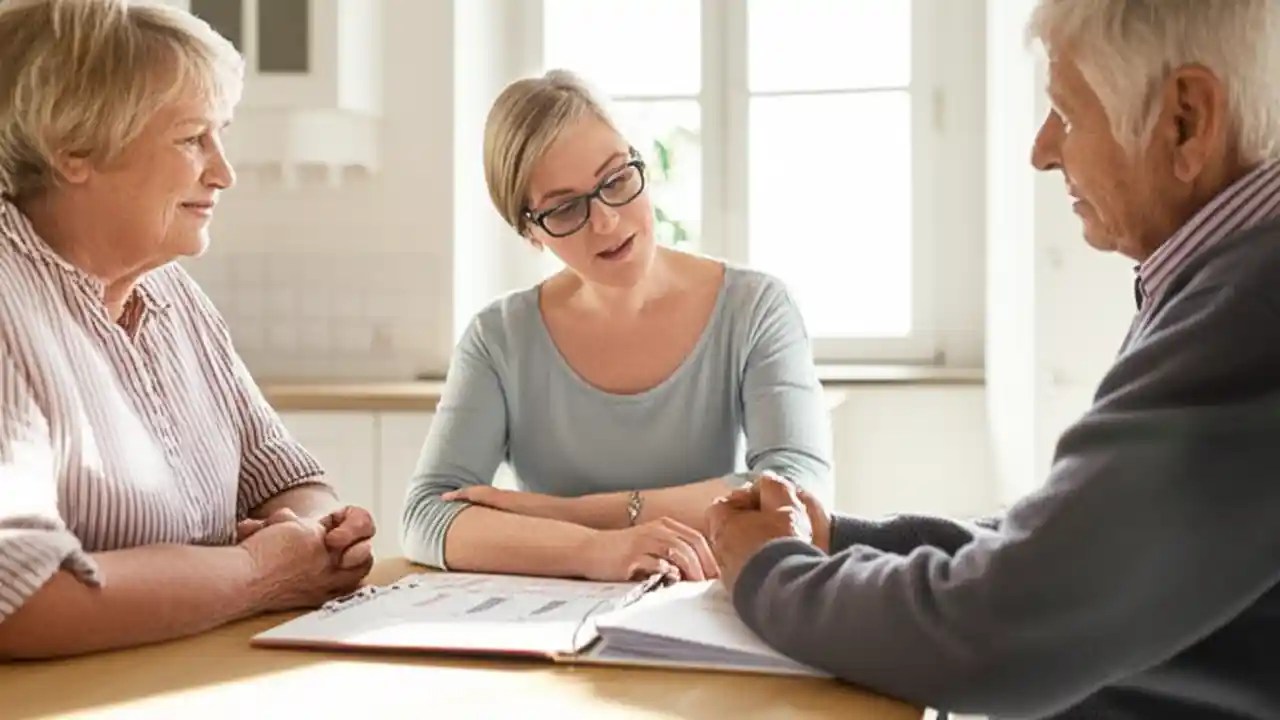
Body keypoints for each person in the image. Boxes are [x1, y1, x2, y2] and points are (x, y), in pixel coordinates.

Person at [706, 1, 1280, 718]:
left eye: (1065, 113)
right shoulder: (1230, 274)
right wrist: (836, 537)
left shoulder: (1252, 307)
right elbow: (1057, 553)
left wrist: (770, 571)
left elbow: (995, 631)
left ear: (1185, 119)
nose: (1042, 150)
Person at [0, 0, 376, 660]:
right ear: (74, 149)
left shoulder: (171, 291)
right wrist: (262, 573)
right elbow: (20, 599)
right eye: (191, 138)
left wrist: (323, 538)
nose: (223, 172)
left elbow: (287, 479)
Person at [401, 70, 832, 582]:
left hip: (710, 612)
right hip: (556, 625)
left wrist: (562, 512)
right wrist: (593, 551)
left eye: (616, 180)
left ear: (638, 162)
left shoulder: (756, 307)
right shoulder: (498, 339)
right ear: (530, 232)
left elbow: (795, 495)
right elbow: (427, 514)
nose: (606, 221)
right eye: (564, 208)